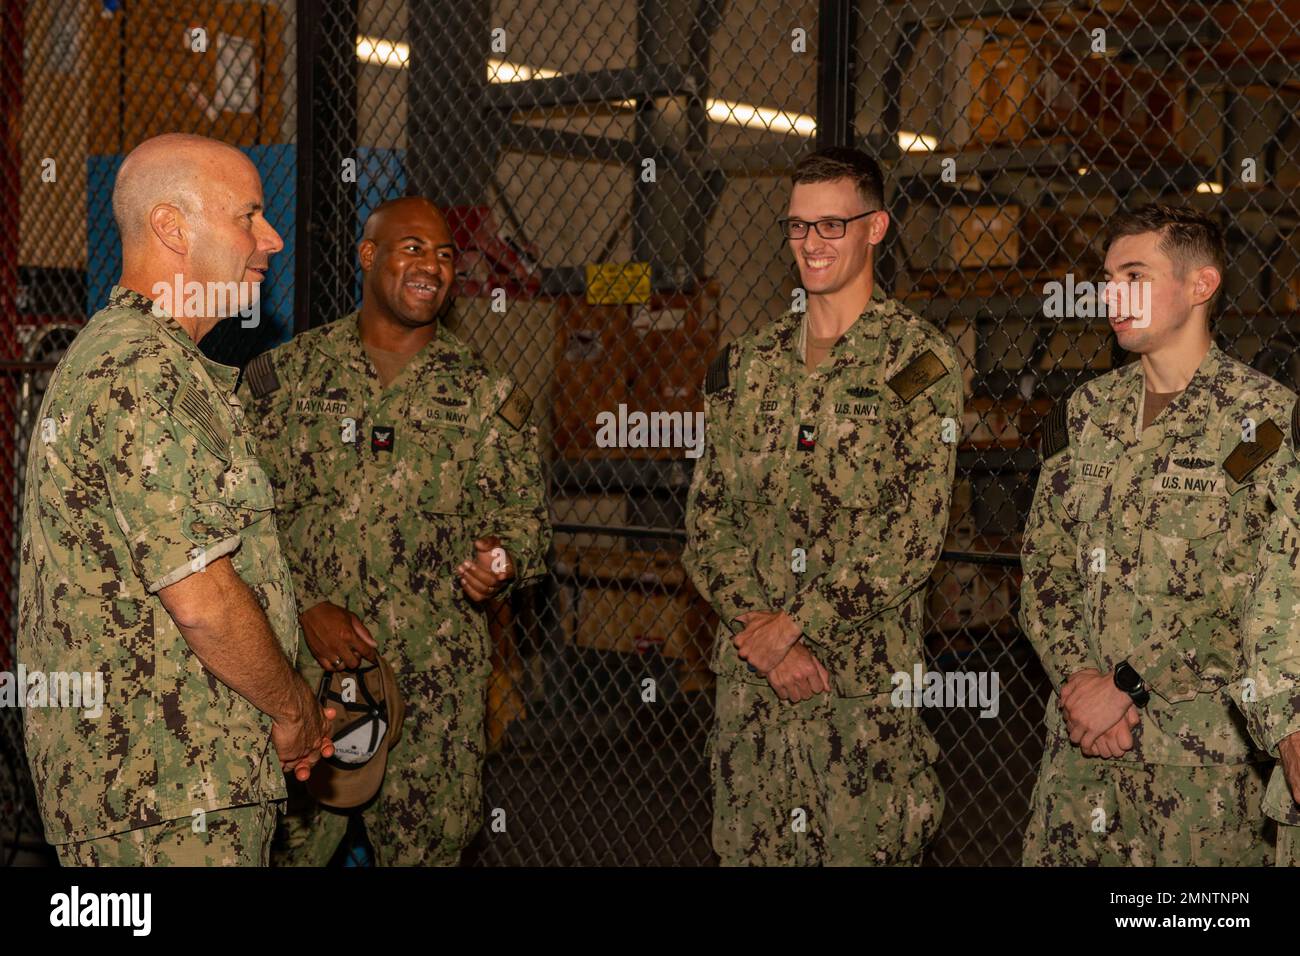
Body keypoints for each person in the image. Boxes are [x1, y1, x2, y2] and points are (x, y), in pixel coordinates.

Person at [18, 132, 333, 867]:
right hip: (166, 803)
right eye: (249, 216)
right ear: (172, 228)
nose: (273, 238)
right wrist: (290, 711)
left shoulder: (143, 361)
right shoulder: (142, 372)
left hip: (166, 792)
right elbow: (203, 599)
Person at [240, 196, 551, 866]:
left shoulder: (486, 397)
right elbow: (241, 526)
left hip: (434, 694)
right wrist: (301, 610)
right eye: (413, 248)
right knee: (285, 851)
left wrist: (502, 562)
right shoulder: (285, 381)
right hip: (304, 685)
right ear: (369, 255)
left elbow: (522, 526)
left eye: (444, 255)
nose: (432, 267)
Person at [683, 147, 960, 865]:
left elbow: (913, 535)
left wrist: (800, 626)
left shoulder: (918, 362)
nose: (811, 244)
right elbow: (708, 523)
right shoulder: (745, 365)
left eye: (832, 225)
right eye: (798, 226)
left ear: (877, 228)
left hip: (858, 700)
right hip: (753, 698)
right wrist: (763, 635)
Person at [1020, 202, 1289, 866]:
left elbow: (1260, 600)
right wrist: (1080, 681)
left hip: (1197, 772)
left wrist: (1127, 686)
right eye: (1108, 277)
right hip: (1081, 752)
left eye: (1134, 275)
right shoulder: (1084, 414)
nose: (1112, 294)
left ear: (1201, 285)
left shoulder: (1263, 423)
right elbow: (1043, 567)